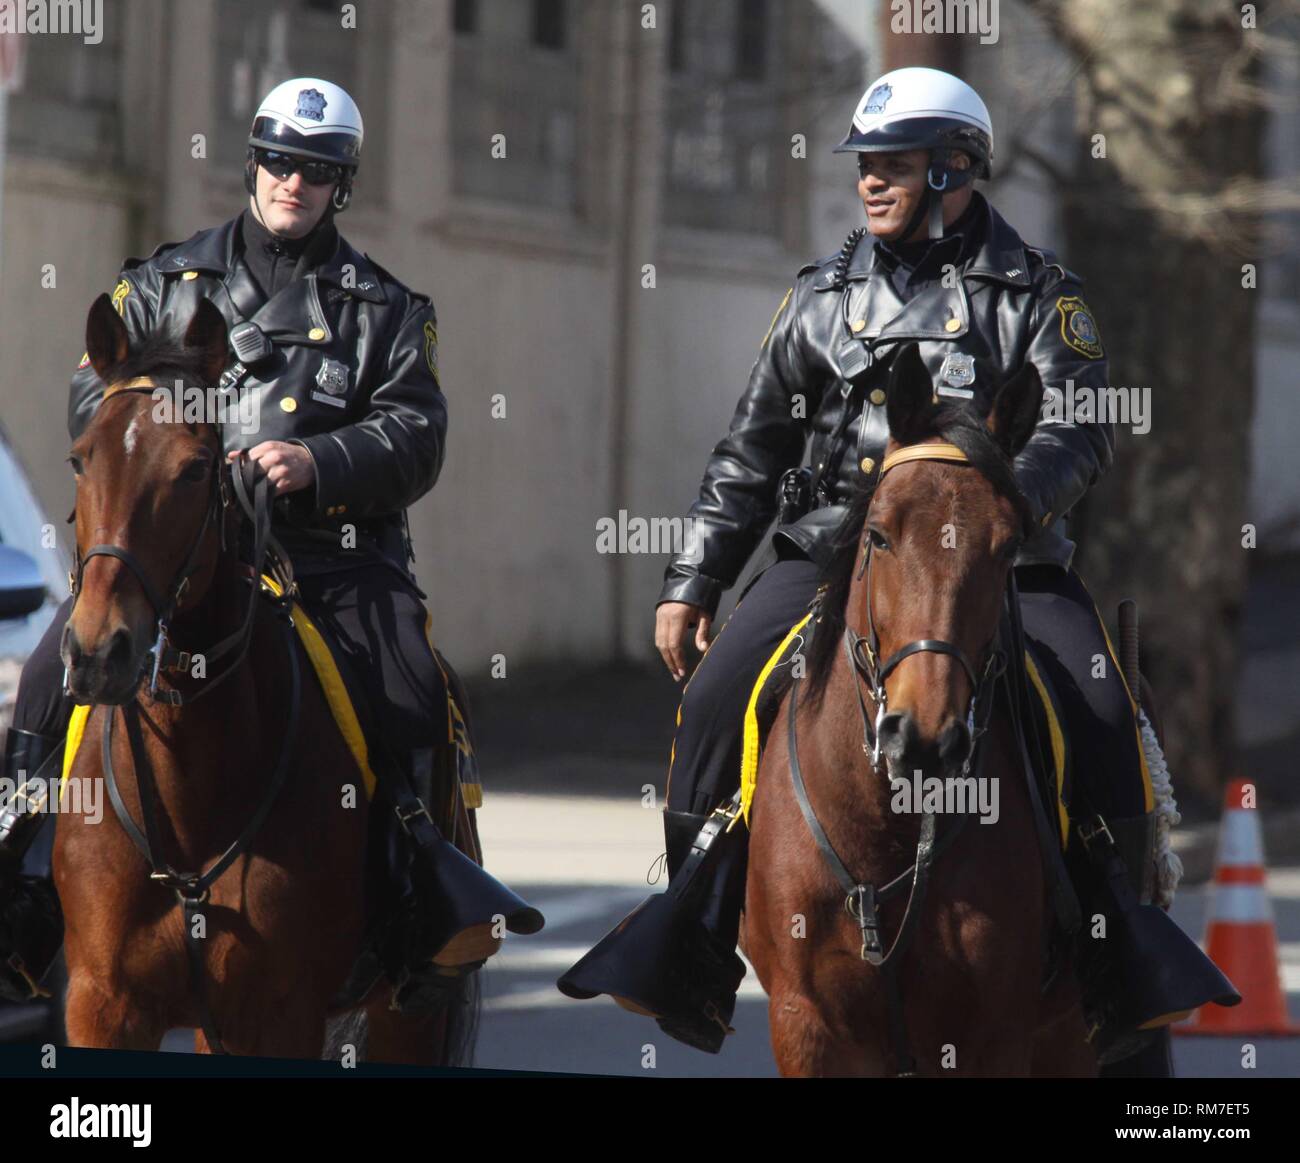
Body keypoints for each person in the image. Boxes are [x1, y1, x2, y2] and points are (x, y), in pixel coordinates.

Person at [560, 67, 1233, 1074]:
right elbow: (750, 452)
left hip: (1001, 556)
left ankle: (1117, 951)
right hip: (836, 553)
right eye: (865, 166)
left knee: (1098, 710)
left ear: (956, 167)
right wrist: (692, 578)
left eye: (893, 165)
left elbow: (1082, 431)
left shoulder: (1044, 295)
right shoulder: (819, 299)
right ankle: (692, 931)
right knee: (713, 700)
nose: (869, 182)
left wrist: (996, 494)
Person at [0, 77, 538, 1014]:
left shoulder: (387, 307)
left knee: (411, 682)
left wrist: (315, 459)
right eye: (282, 160)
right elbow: (96, 399)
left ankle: (420, 884)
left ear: (343, 184)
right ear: (254, 161)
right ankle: (19, 882)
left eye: (319, 169)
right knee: (54, 671)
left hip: (332, 556)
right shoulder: (161, 284)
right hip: (175, 547)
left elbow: (418, 432)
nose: (296, 181)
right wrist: (177, 433)